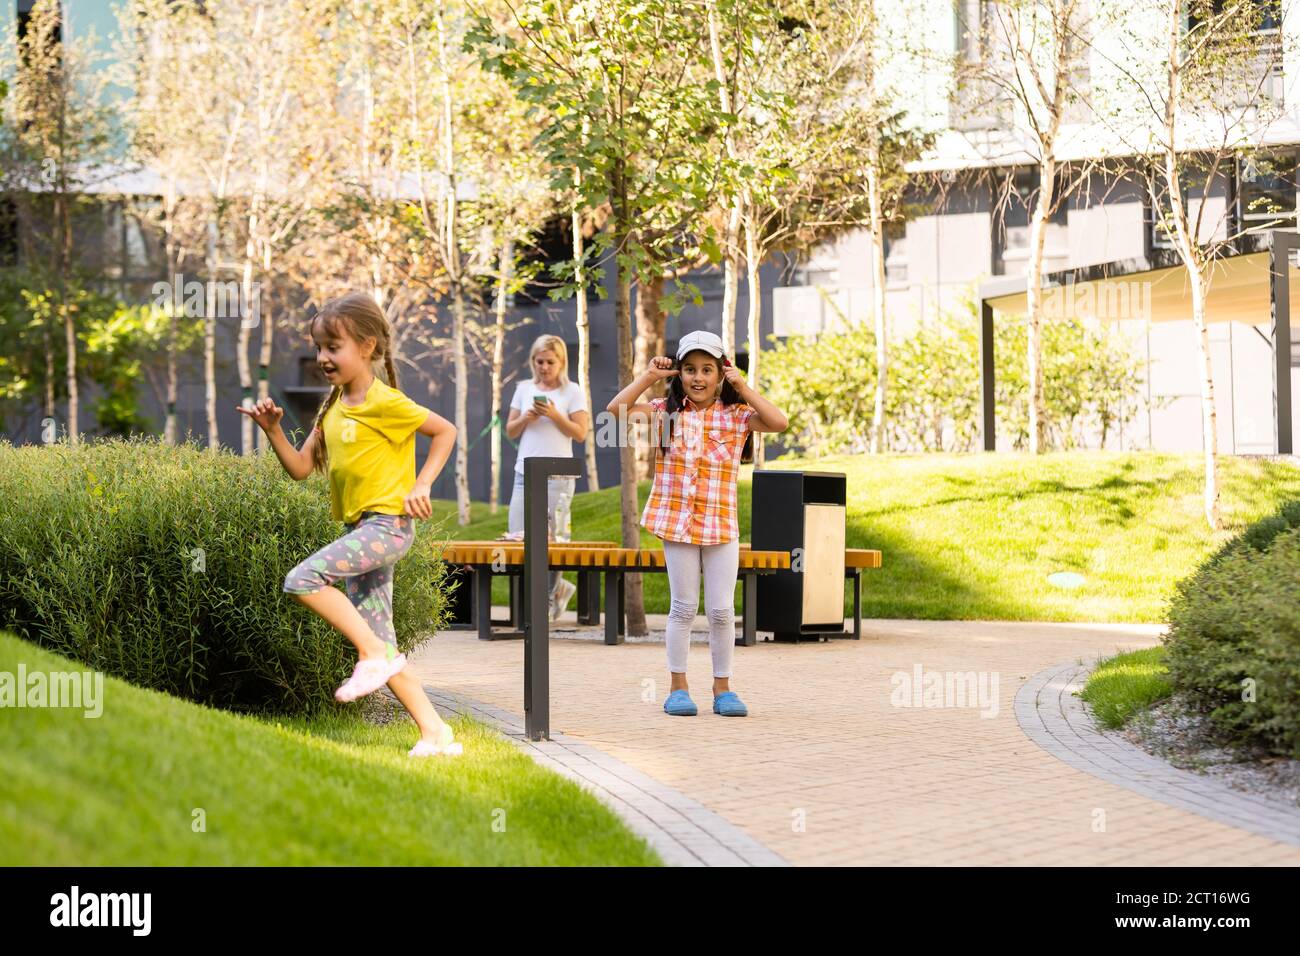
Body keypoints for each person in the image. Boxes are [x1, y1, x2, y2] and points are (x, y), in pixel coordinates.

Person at [237, 291, 463, 757]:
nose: (322, 358)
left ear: (367, 346)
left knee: (302, 579)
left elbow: (446, 431)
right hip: (360, 530)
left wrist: (421, 485)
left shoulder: (386, 402)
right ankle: (435, 731)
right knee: (381, 636)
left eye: (332, 347)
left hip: (388, 527)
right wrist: (274, 430)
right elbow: (301, 468)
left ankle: (372, 656)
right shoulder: (334, 408)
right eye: (318, 348)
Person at [605, 330, 788, 717]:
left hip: (721, 525)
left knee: (721, 611)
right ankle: (678, 688)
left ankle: (723, 689)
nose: (698, 377)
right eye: (690, 369)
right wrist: (649, 378)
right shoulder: (664, 412)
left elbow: (779, 422)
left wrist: (742, 383)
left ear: (720, 375)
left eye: (708, 369)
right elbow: (615, 412)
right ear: (681, 374)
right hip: (678, 524)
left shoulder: (737, 416)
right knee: (683, 608)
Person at [504, 334, 590, 620]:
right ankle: (535, 602)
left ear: (561, 361)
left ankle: (548, 602)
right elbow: (511, 431)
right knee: (518, 537)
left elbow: (580, 433)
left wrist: (554, 414)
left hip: (558, 475)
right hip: (523, 473)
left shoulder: (573, 391)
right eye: (539, 361)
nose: (544, 367)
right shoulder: (524, 389)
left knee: (552, 542)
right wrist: (527, 417)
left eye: (550, 362)